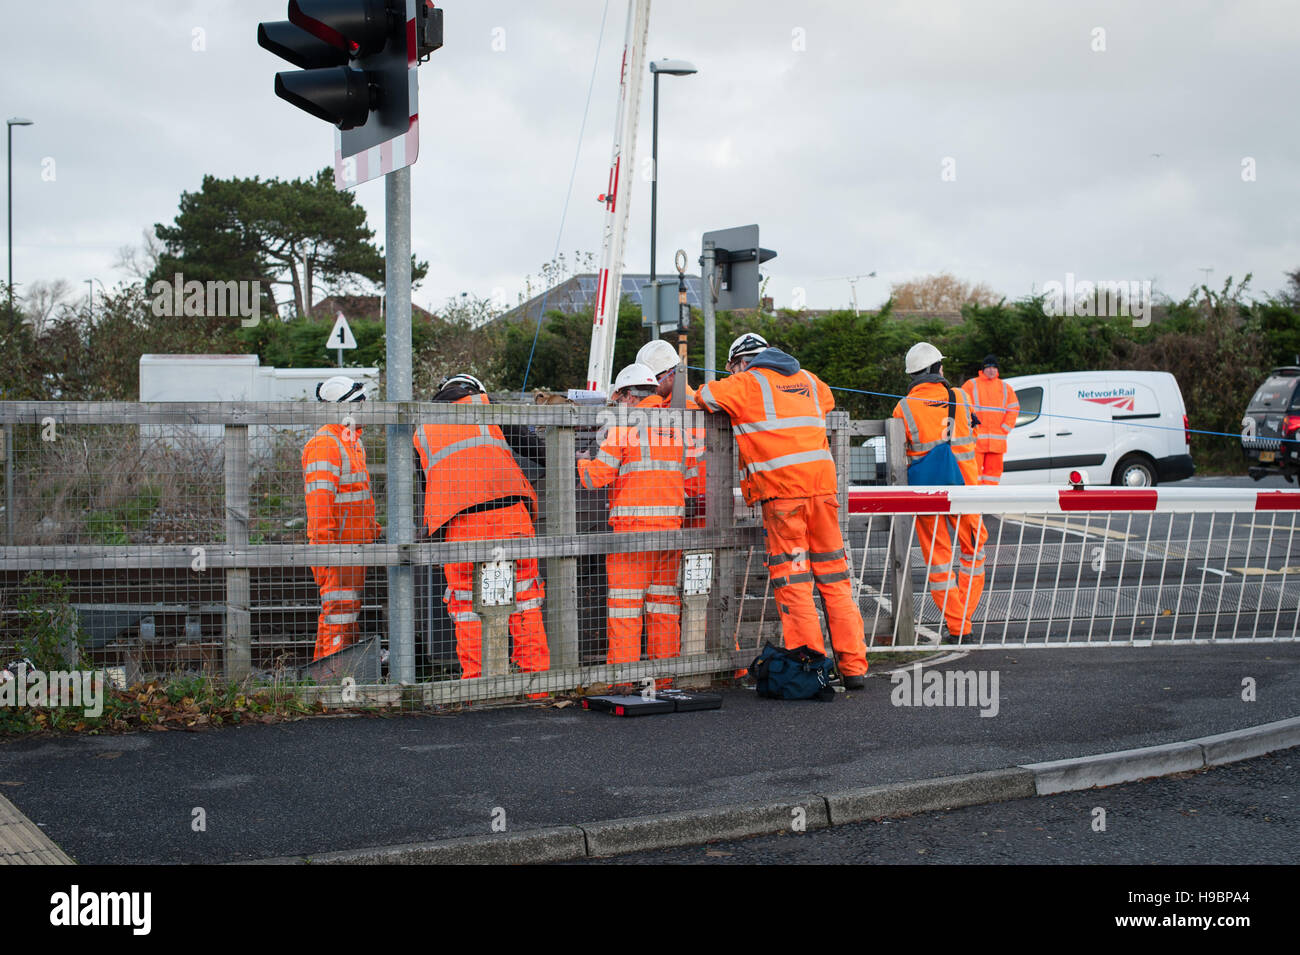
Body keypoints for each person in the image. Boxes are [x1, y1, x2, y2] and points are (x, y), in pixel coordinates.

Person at [695, 334, 869, 688]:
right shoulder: (810, 380)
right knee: (836, 581)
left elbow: (705, 395)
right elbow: (827, 401)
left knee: (795, 583)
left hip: (783, 497)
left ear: (741, 362)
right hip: (823, 491)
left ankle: (811, 670)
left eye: (732, 367)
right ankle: (854, 669)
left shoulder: (745, 383)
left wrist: (735, 379)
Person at [413, 373, 549, 681]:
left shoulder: (421, 428)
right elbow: (538, 451)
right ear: (476, 391)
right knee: (524, 598)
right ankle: (538, 683)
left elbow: (427, 487)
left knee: (465, 604)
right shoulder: (487, 406)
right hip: (510, 518)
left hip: (459, 526)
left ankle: (476, 684)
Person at [577, 362, 689, 672]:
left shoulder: (624, 424)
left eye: (617, 400)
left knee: (625, 608)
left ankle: (622, 682)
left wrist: (581, 463)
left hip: (632, 533)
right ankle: (665, 680)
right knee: (663, 606)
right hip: (671, 532)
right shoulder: (676, 423)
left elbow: (595, 479)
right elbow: (691, 480)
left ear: (628, 396)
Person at [893, 342, 988, 643]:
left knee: (939, 560)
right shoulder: (960, 396)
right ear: (936, 369)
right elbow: (972, 433)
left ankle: (958, 623)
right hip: (966, 491)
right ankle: (963, 621)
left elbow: (898, 455)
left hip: (927, 493)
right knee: (974, 550)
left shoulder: (903, 407)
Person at [303, 376, 382, 661]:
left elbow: (357, 494)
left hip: (353, 547)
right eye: (361, 404)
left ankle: (339, 679)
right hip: (338, 550)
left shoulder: (351, 442)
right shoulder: (326, 444)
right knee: (338, 617)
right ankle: (330, 683)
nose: (366, 408)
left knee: (345, 616)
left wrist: (374, 530)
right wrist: (327, 553)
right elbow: (319, 507)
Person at [636, 338, 706, 527]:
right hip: (682, 504)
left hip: (696, 507)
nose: (648, 385)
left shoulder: (689, 408)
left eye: (651, 379)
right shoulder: (666, 406)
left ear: (671, 375)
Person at [961, 354, 1020, 486]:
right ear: (982, 369)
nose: (991, 370)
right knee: (973, 472)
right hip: (976, 440)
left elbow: (1014, 408)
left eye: (994, 367)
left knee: (993, 475)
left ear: (997, 369)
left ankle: (989, 498)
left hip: (997, 441)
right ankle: (973, 497)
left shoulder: (1005, 387)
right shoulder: (971, 385)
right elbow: (961, 405)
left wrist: (1005, 428)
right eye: (988, 367)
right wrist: (968, 427)